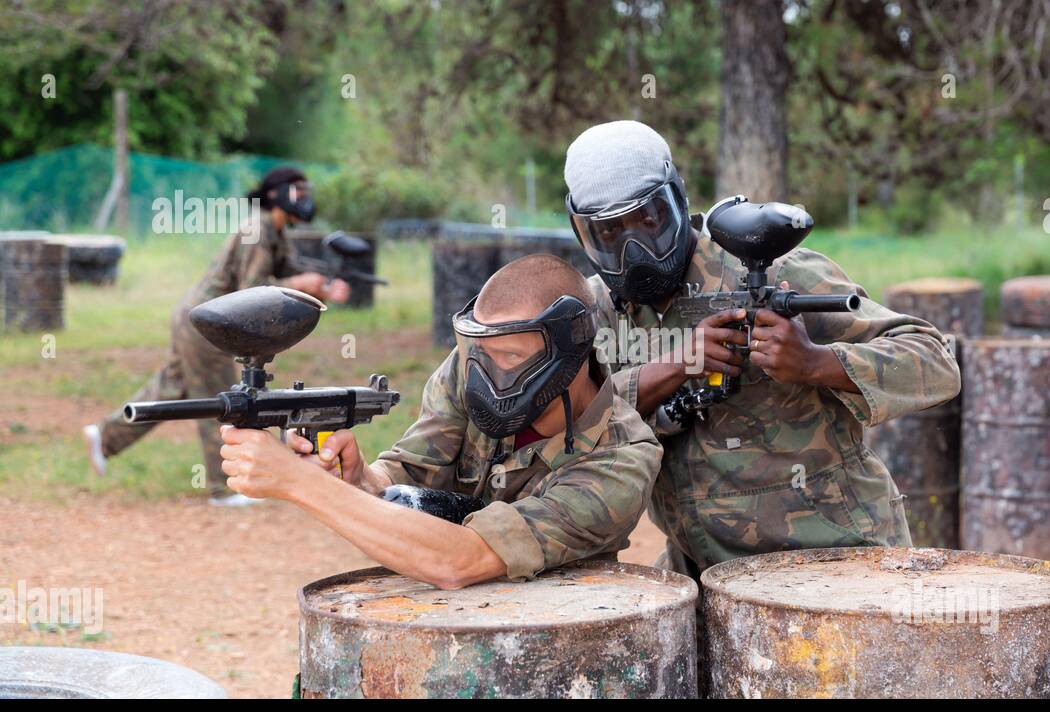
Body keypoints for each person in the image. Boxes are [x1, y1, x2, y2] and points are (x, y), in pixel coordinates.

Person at [564, 120, 962, 579]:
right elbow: (567, 423)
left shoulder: (771, 273)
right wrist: (674, 367)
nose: (636, 251)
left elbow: (935, 362)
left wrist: (816, 363)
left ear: (678, 199)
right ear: (583, 234)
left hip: (837, 560)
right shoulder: (595, 312)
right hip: (705, 570)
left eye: (649, 221)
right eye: (610, 234)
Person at [216, 254, 663, 588]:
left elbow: (460, 561)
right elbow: (413, 479)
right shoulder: (473, 365)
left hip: (558, 640)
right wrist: (358, 480)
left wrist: (298, 483)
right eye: (480, 351)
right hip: (450, 622)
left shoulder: (622, 460)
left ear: (570, 356)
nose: (488, 373)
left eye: (511, 356)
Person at [83, 167, 350, 506]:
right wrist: (300, 286)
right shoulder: (258, 229)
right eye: (297, 191)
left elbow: (289, 270)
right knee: (223, 400)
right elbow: (253, 291)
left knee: (172, 391)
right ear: (277, 195)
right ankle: (224, 488)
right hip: (209, 323)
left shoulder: (274, 230)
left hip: (200, 318)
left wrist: (325, 286)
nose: (304, 198)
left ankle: (104, 437)